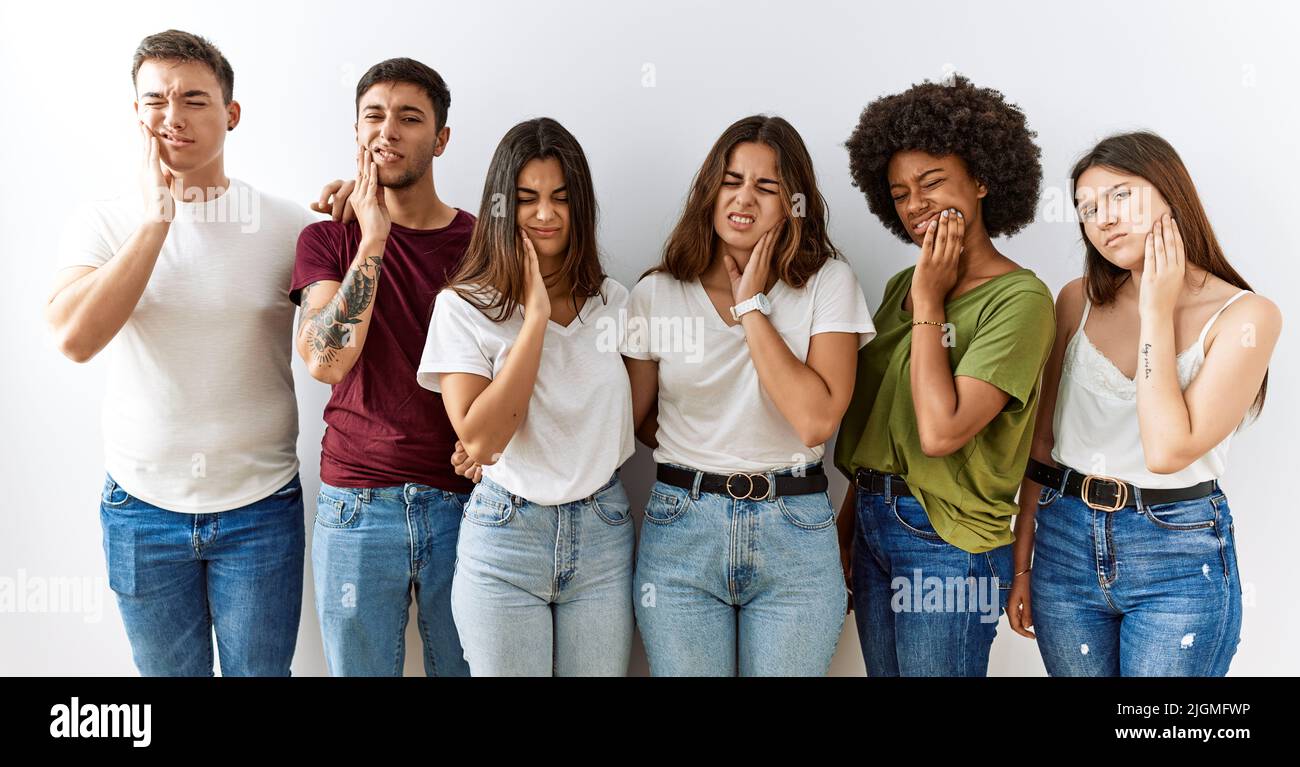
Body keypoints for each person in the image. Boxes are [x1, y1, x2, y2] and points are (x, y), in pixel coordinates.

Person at [47, 29, 314, 676]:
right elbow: (75, 338)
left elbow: (341, 344)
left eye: (194, 98)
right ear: (136, 114)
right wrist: (157, 219)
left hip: (260, 511)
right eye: (155, 100)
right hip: (141, 512)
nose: (173, 116)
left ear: (232, 113)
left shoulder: (288, 224)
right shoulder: (106, 222)